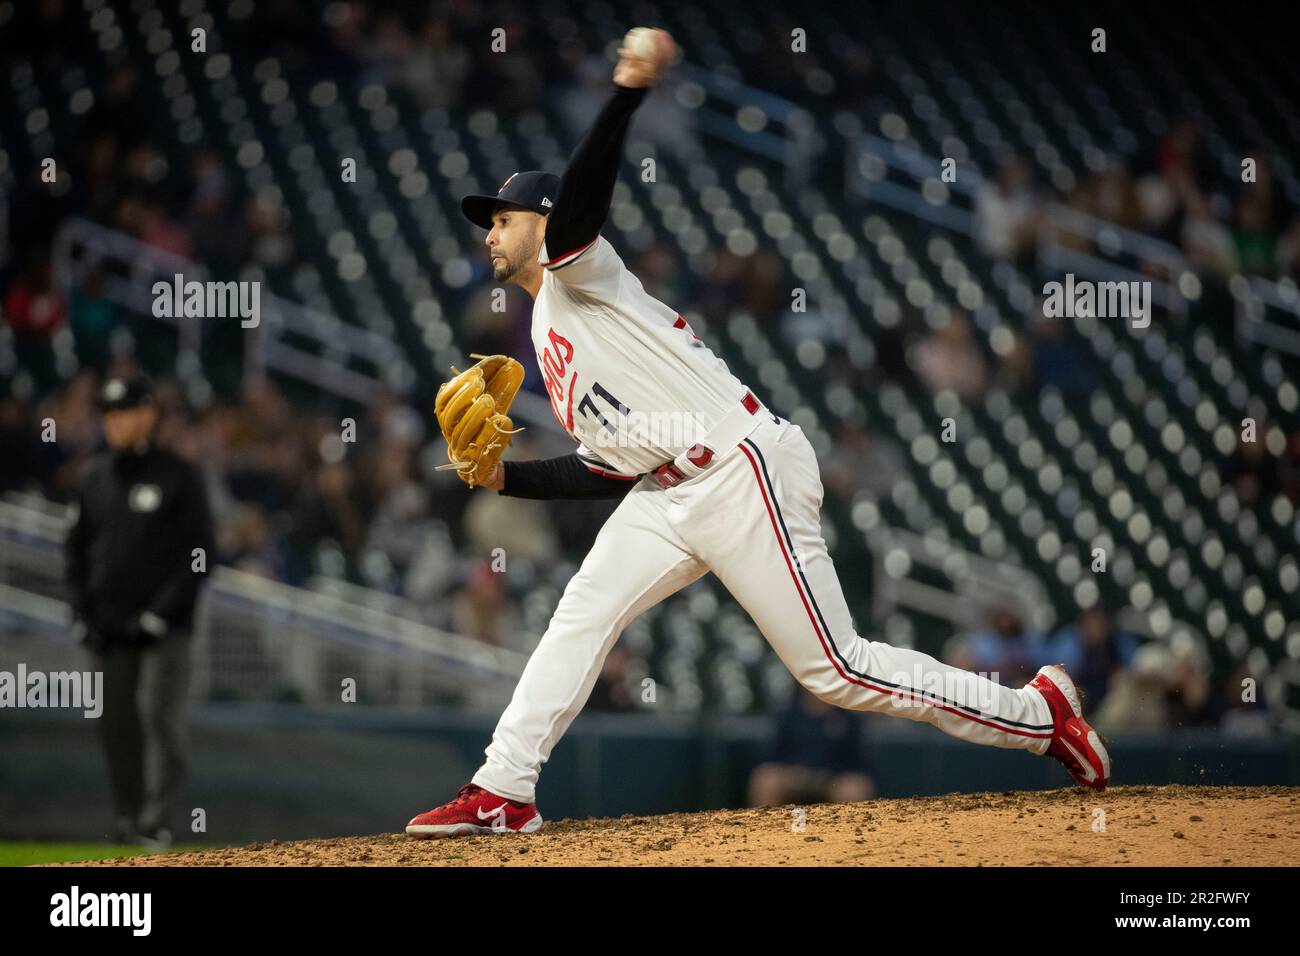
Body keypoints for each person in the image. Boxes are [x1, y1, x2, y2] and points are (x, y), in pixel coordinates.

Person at [406, 29, 1111, 840]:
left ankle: (1037, 714)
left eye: (501, 218)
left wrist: (627, 90)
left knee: (836, 670)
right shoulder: (551, 342)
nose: (489, 233)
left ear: (542, 219)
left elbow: (587, 195)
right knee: (581, 612)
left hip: (741, 467)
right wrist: (505, 480)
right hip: (667, 490)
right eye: (484, 223)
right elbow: (604, 471)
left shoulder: (578, 273)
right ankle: (504, 789)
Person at [65, 373, 215, 846]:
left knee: (158, 719)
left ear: (149, 414)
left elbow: (200, 555)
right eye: (108, 414)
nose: (115, 422)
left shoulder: (178, 475)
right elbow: (75, 553)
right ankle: (128, 819)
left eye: (125, 411)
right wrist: (80, 613)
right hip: (107, 630)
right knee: (115, 723)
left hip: (162, 632)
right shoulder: (94, 478)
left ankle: (158, 822)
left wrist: (161, 614)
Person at [748, 689, 875, 807]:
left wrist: (828, 777)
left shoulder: (847, 718)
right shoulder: (789, 713)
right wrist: (796, 774)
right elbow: (772, 758)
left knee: (854, 790)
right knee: (766, 780)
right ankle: (767, 829)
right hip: (794, 778)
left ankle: (846, 831)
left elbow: (858, 766)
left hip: (832, 780)